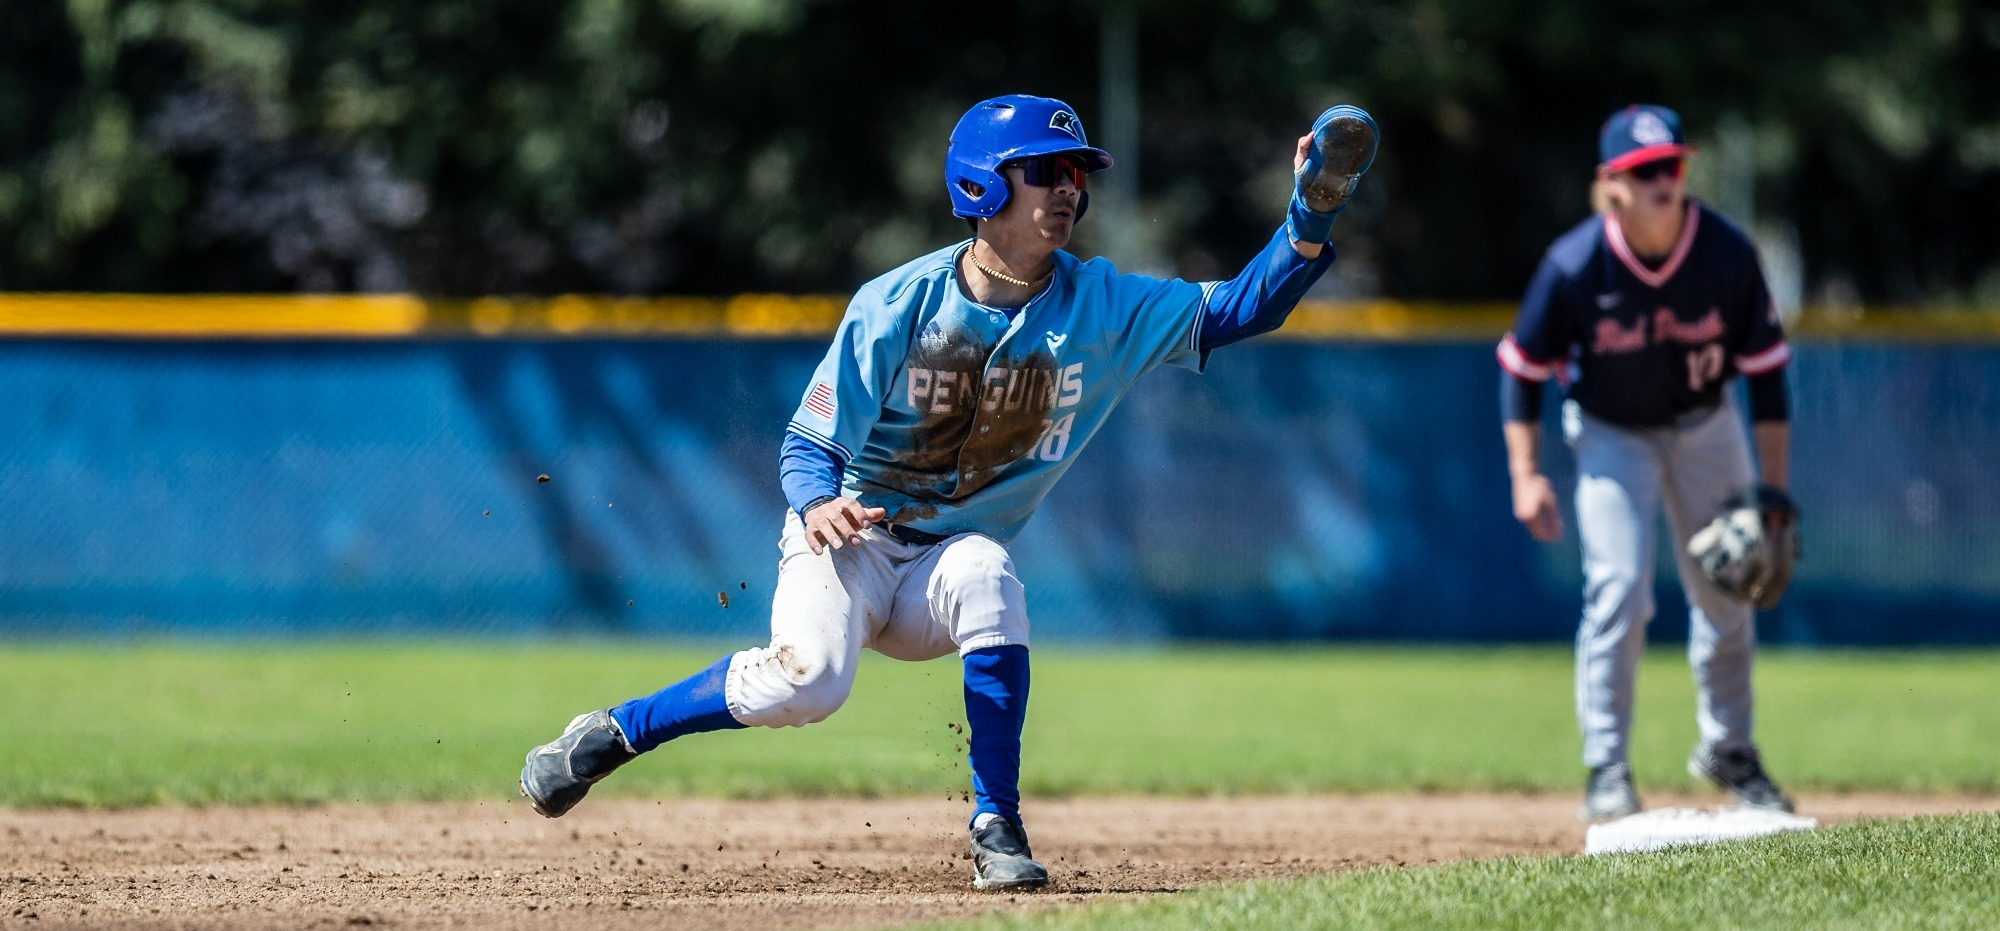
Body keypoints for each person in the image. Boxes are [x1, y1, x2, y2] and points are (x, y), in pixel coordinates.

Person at [521, 95, 1379, 887]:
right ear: (980, 184)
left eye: (1076, 171)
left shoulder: (1104, 307)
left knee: (986, 570)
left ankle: (996, 824)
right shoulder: (896, 305)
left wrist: (1314, 209)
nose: (1068, 186)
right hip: (848, 547)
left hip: (943, 571)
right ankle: (619, 730)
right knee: (808, 683)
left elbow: (1240, 310)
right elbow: (808, 441)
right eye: (1044, 168)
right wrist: (820, 504)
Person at [1498, 104, 1797, 822]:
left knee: (1730, 587)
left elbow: (1767, 374)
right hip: (1609, 435)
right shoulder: (1573, 265)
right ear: (1612, 184)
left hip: (1706, 425)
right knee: (1620, 588)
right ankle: (1606, 764)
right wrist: (1527, 472)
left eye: (1671, 167)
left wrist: (1772, 493)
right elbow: (1521, 366)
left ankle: (1729, 748)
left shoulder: (1726, 253)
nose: (1662, 182)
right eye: (1643, 172)